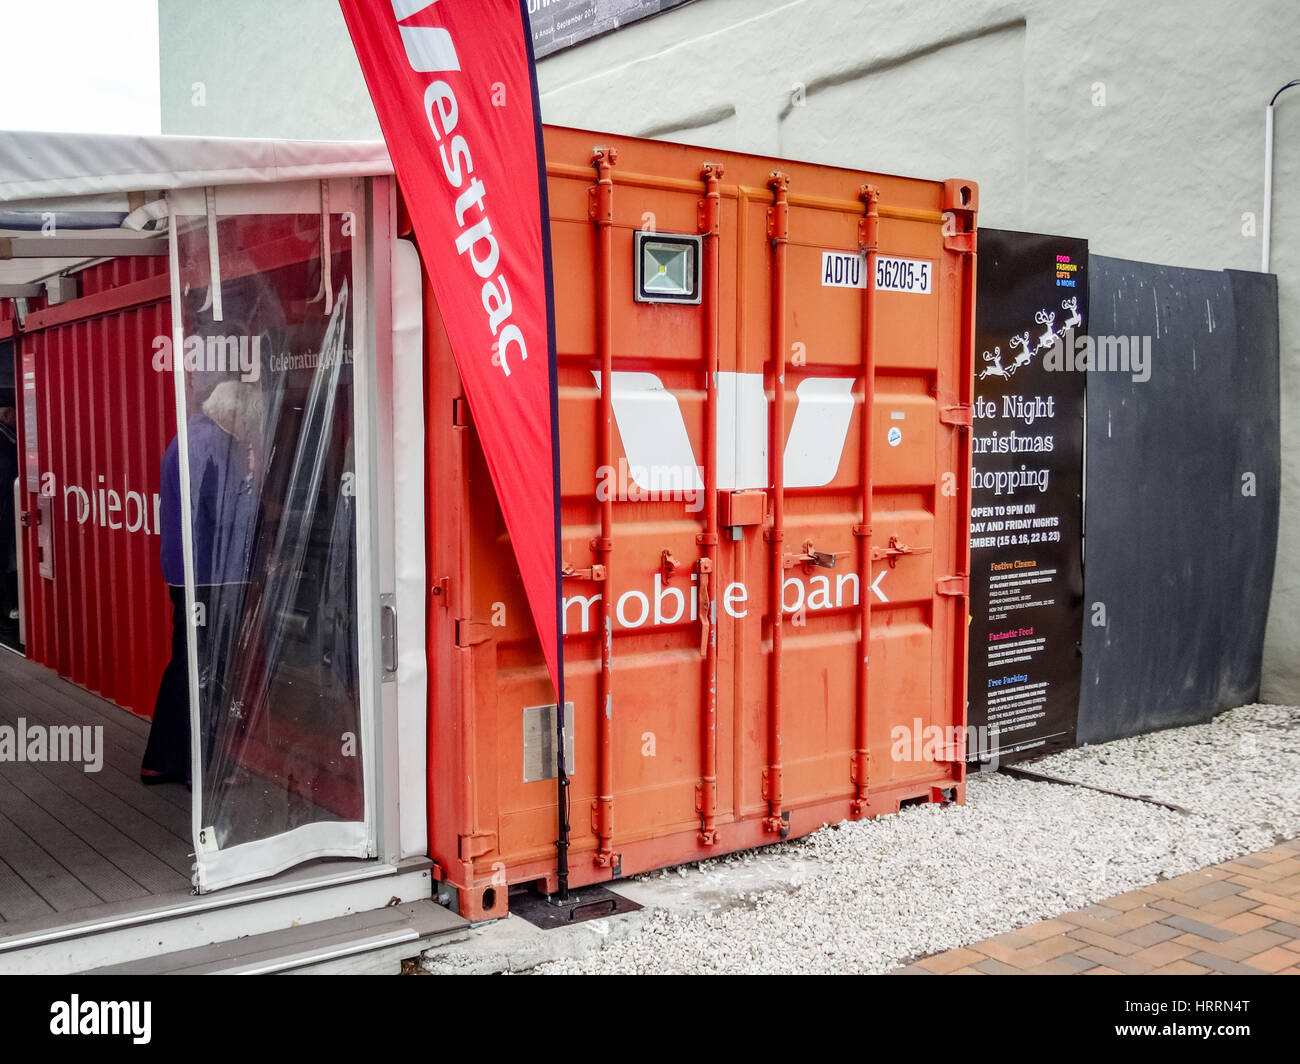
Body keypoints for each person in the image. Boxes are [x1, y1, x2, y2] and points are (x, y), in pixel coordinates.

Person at [141, 379, 261, 786]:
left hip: (185, 573)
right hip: (212, 576)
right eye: (250, 418)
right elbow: (230, 515)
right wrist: (260, 503)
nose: (252, 427)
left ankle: (161, 760)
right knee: (210, 670)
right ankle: (202, 766)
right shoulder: (218, 444)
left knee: (185, 664)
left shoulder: (186, 435)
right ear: (233, 414)